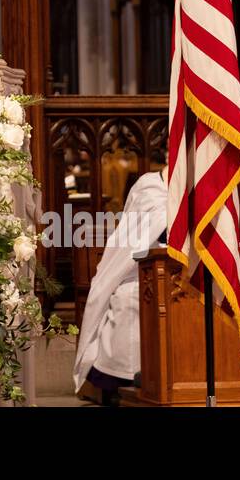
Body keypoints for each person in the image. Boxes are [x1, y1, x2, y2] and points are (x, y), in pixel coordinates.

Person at [73, 170, 168, 404]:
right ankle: (122, 380)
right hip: (137, 267)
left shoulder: (206, 186)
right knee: (130, 299)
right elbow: (138, 237)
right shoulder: (150, 185)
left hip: (186, 268)